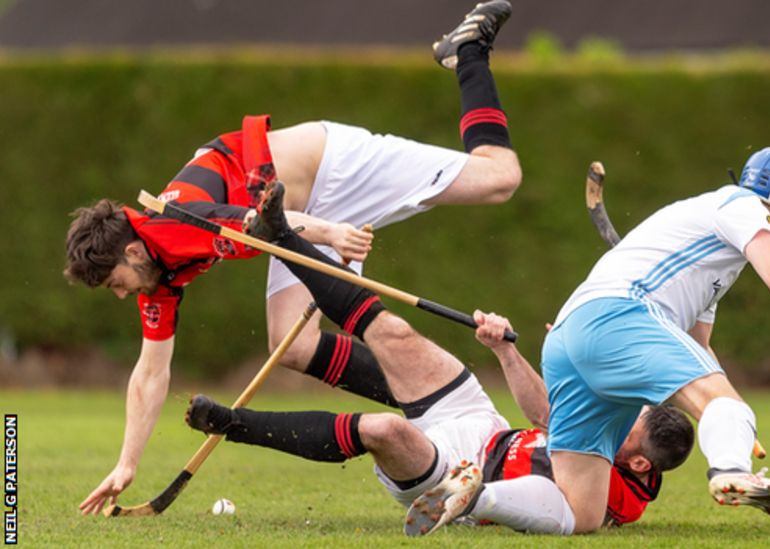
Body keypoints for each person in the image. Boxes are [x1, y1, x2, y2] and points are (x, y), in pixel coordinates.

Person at [66, 0, 519, 516]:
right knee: (292, 344)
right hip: (290, 211)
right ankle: (427, 404)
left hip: (336, 168)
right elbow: (150, 372)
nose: (122, 293)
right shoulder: (159, 270)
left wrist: (330, 233)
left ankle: (468, 55)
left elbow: (264, 224)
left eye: (115, 283)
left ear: (129, 250)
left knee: (499, 179)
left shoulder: (176, 224)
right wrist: (127, 465)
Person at [409, 146, 770, 535]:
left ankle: (477, 495)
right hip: (620, 314)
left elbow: (698, 348)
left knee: (582, 511)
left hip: (572, 335)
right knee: (725, 406)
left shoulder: (717, 259)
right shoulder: (742, 206)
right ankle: (730, 473)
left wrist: (730, 419)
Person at [184, 310, 695, 534]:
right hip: (485, 426)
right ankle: (290, 241)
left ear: (640, 461)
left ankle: (236, 423)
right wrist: (513, 349)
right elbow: (546, 411)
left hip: (460, 473)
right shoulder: (615, 438)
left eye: (633, 421)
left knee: (384, 429)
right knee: (398, 342)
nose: (623, 415)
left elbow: (554, 414)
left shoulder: (619, 496)